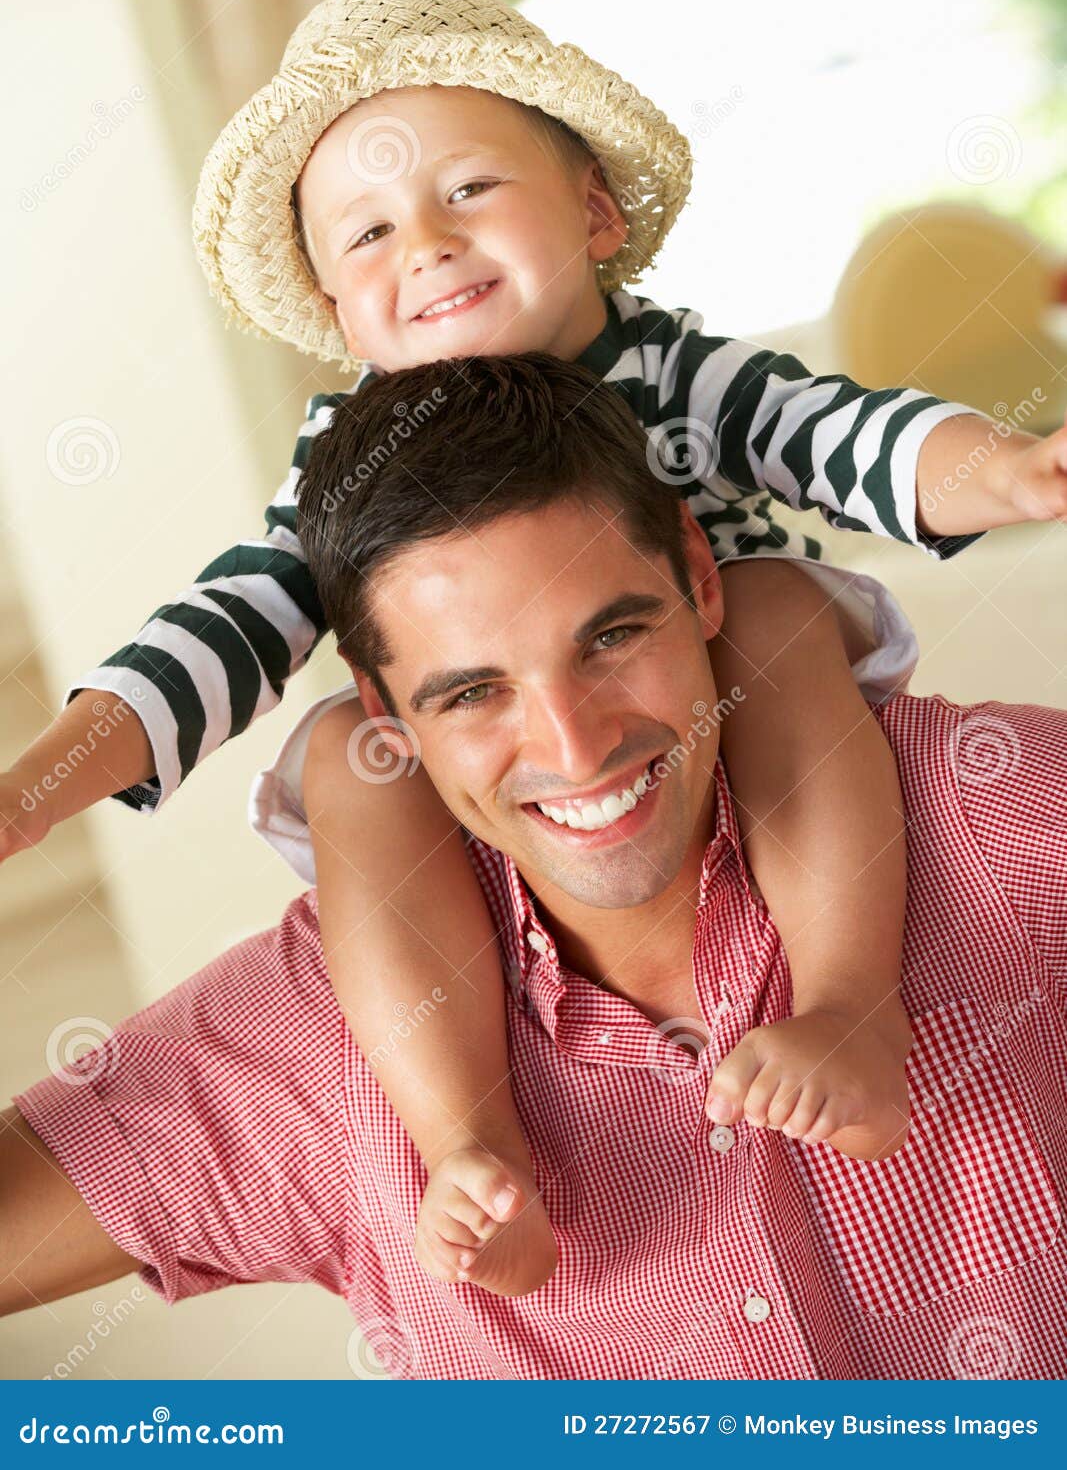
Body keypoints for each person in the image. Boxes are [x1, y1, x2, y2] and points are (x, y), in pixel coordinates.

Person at [4, 0, 1067, 1299]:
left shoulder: (676, 370)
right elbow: (216, 631)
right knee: (343, 756)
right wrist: (35, 788)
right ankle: (469, 1141)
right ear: (337, 312)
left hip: (747, 699)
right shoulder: (352, 461)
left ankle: (848, 1003)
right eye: (369, 234)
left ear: (593, 207)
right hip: (488, 840)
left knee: (780, 608)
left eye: (465, 191)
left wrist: (1007, 470)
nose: (428, 245)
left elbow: (848, 436)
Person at [4, 354, 1065, 1383]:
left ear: (699, 580)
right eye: (471, 692)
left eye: (609, 636)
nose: (572, 743)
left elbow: (857, 440)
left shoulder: (987, 815)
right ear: (386, 711)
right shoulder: (325, 1026)